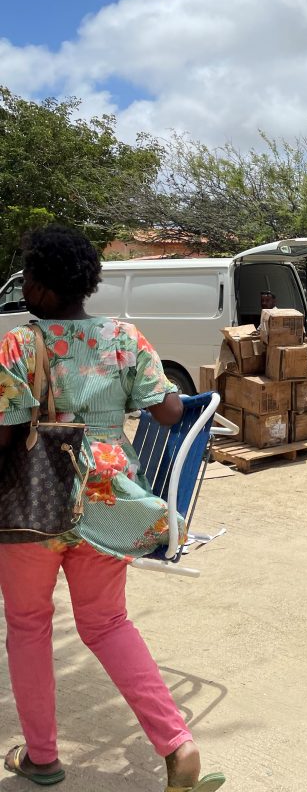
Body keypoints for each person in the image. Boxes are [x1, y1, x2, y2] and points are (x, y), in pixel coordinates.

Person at [0, 225, 225, 791]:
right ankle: (177, 746)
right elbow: (171, 413)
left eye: (29, 275)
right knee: (106, 623)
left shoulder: (19, 345)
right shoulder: (125, 337)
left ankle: (43, 758)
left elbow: (4, 434)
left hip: (34, 503)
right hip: (107, 498)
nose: (24, 285)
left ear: (47, 288)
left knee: (28, 626)